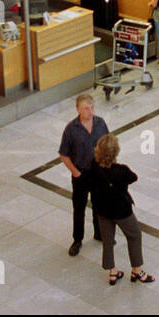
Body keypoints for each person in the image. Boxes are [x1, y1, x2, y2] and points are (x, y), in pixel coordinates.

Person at [88, 134, 153, 285]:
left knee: (108, 240)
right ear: (115, 152)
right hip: (121, 211)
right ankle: (137, 270)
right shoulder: (121, 170)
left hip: (102, 210)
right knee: (134, 235)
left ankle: (112, 272)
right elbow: (133, 177)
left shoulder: (93, 166)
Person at [58, 93, 109, 256]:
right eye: (86, 108)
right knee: (79, 208)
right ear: (79, 110)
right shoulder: (71, 129)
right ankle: (77, 239)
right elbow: (63, 154)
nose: (90, 111)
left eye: (92, 107)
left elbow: (108, 144)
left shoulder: (100, 123)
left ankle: (99, 233)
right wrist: (75, 172)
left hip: (98, 172)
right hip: (81, 174)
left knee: (99, 204)